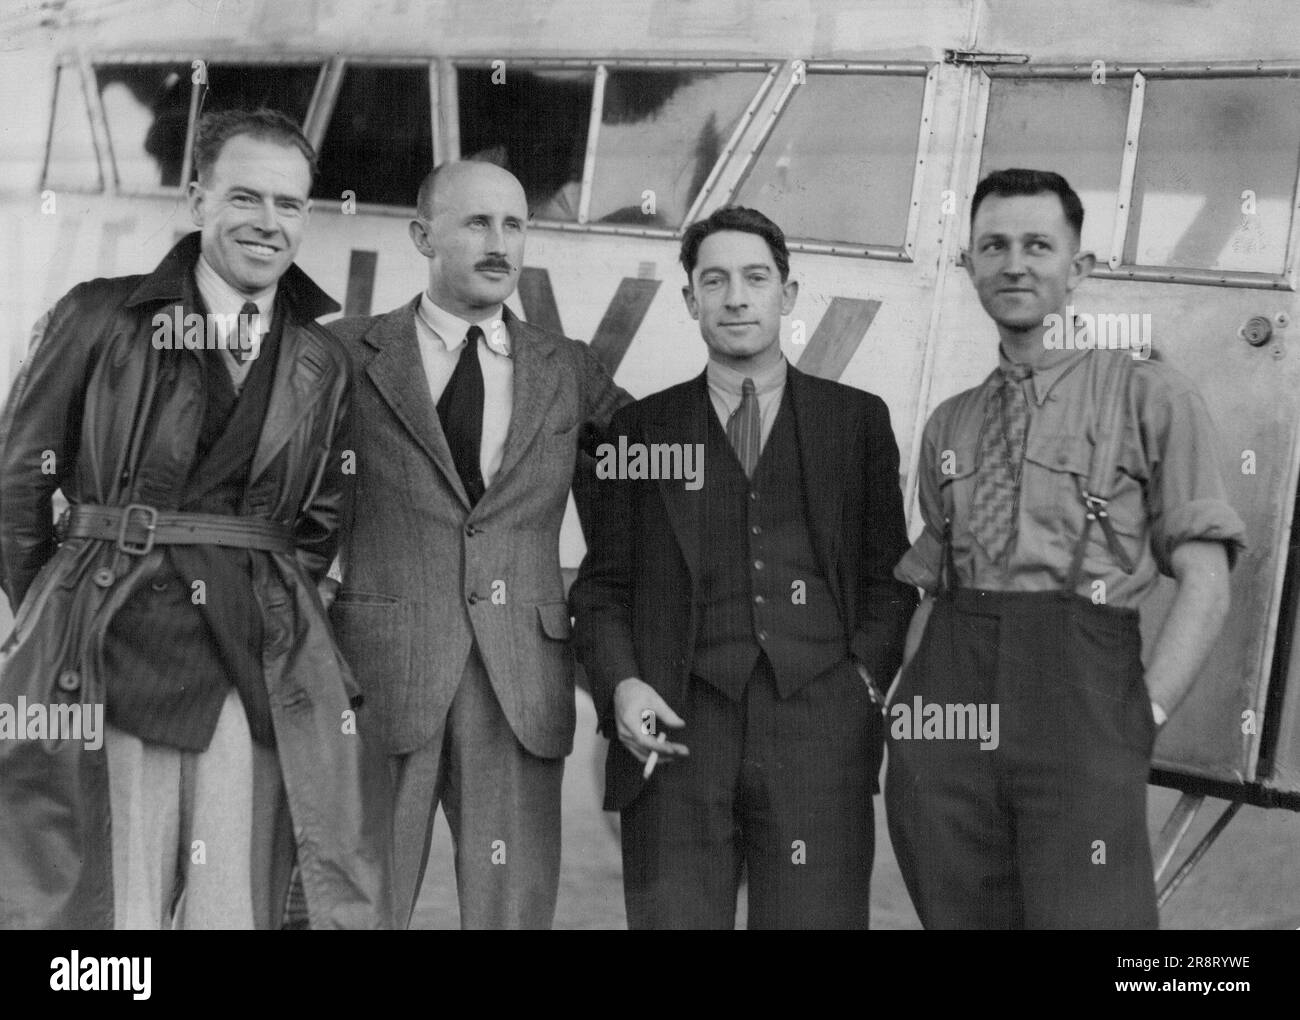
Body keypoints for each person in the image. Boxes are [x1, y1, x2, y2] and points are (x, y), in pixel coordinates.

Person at [0, 108, 389, 929]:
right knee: (113, 906)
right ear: (195, 199)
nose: (268, 223)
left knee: (231, 908)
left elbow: (317, 526)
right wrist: (64, 606)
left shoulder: (322, 359)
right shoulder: (99, 316)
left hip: (249, 657)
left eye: (289, 204)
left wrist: (266, 609)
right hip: (112, 644)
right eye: (245, 198)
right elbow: (17, 484)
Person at [886, 168, 1247, 929]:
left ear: (1078, 268)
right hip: (947, 706)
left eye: (1037, 245)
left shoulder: (1150, 396)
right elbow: (934, 589)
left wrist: (1139, 717)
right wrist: (907, 713)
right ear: (971, 266)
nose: (1014, 263)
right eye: (994, 246)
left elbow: (1206, 580)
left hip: (1082, 692)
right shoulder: (948, 425)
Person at [569, 205, 917, 929]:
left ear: (787, 294)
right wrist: (623, 685)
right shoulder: (643, 430)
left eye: (756, 278)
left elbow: (891, 579)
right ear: (691, 298)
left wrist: (860, 686)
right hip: (676, 728)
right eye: (715, 280)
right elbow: (603, 588)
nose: (736, 297)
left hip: (820, 732)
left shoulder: (855, 422)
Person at [328, 160, 629, 929]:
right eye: (477, 223)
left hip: (520, 679)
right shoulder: (341, 354)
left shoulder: (569, 369)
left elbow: (647, 497)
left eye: (515, 224)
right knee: (353, 909)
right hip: (377, 672)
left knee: (512, 914)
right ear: (422, 235)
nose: (500, 243)